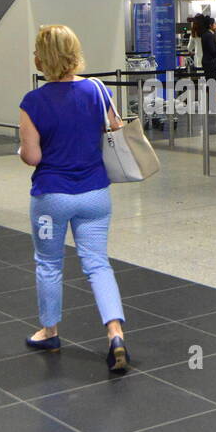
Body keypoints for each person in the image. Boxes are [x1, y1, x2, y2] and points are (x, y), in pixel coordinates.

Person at [18, 24, 129, 373]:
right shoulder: (97, 90)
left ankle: (50, 331)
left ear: (41, 59)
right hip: (95, 193)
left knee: (49, 264)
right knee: (97, 263)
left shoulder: (32, 102)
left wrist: (22, 148)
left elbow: (32, 157)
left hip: (52, 198)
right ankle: (115, 333)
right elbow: (117, 128)